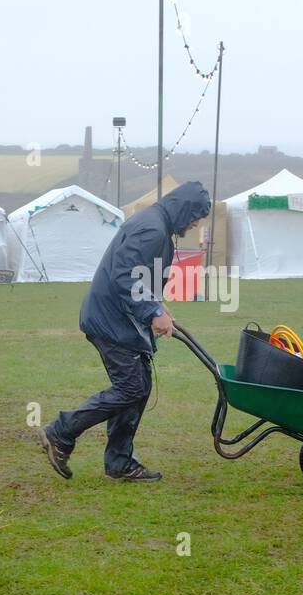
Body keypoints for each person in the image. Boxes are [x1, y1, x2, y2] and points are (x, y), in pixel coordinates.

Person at [39, 181, 211, 482]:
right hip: (111, 320)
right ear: (184, 209)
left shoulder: (155, 224)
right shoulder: (153, 229)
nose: (196, 224)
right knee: (131, 388)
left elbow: (139, 274)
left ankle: (119, 463)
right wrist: (151, 311)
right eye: (196, 216)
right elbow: (124, 275)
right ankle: (61, 431)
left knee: (138, 387)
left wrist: (158, 305)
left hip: (118, 318)